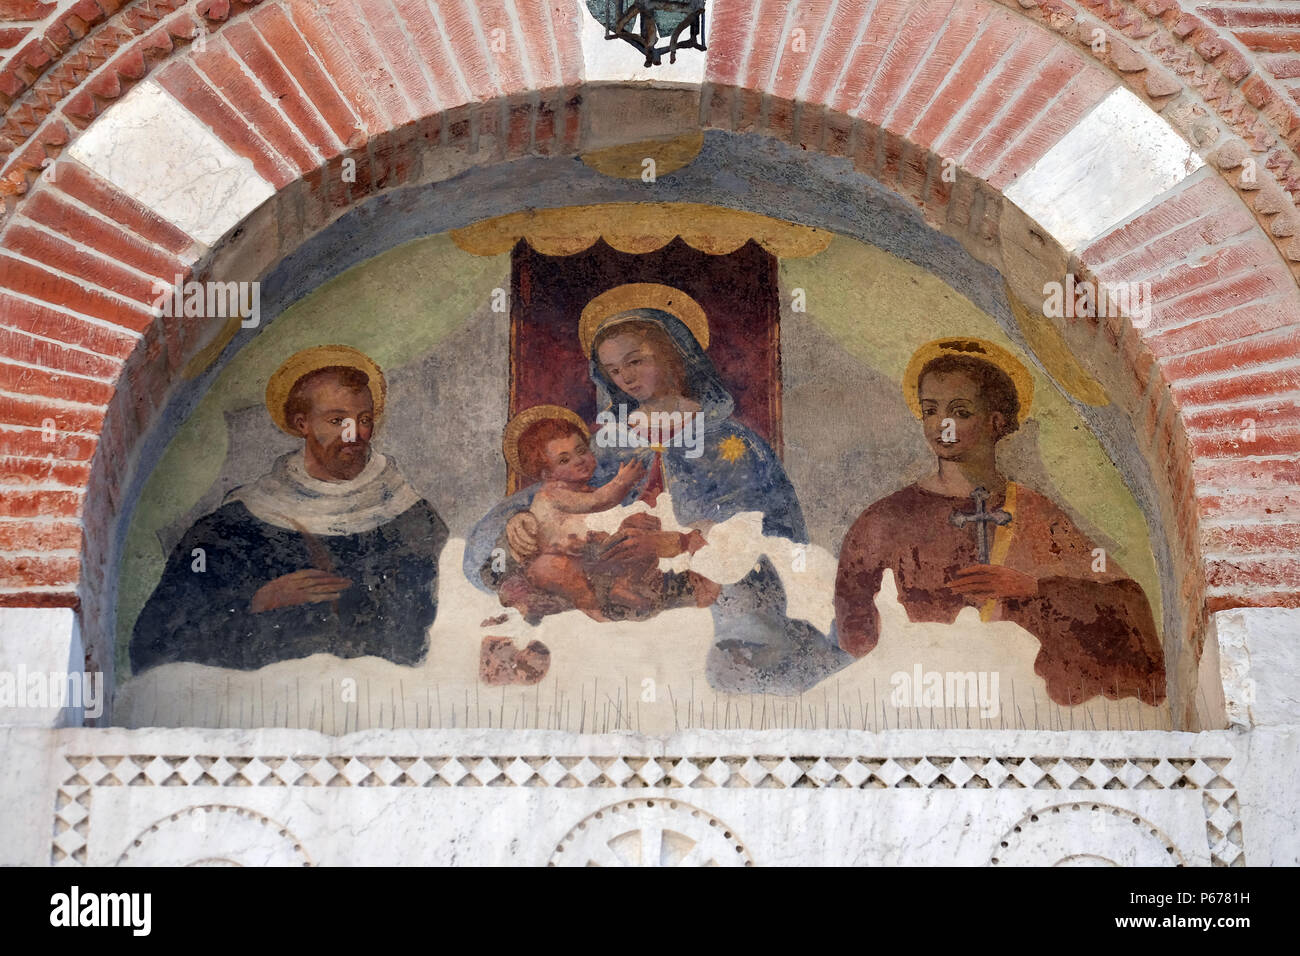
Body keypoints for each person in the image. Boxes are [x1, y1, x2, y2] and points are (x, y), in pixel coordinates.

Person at [465, 283, 850, 692]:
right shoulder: (608, 443)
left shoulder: (730, 440)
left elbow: (778, 533)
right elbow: (557, 497)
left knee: (736, 660)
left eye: (636, 361)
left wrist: (680, 543)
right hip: (615, 582)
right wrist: (519, 521)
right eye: (614, 370)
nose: (626, 377)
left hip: (718, 585)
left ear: (671, 355)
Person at [833, 338, 1166, 707]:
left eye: (960, 412)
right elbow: (854, 616)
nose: (942, 425)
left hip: (1020, 697)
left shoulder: (1035, 513)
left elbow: (1124, 604)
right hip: (914, 694)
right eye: (930, 410)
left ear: (996, 421)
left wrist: (1035, 589)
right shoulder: (884, 520)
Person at [130, 345, 448, 672]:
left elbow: (423, 638)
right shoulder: (232, 528)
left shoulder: (412, 517)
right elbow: (154, 646)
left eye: (364, 419)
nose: (355, 434)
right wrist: (259, 602)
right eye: (337, 419)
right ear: (302, 424)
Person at [505, 404, 713, 620]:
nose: (579, 460)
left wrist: (630, 523)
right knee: (558, 571)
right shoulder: (553, 493)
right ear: (547, 474)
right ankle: (594, 611)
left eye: (581, 450)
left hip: (594, 555)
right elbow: (599, 502)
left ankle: (625, 585)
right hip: (562, 561)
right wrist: (621, 482)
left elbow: (604, 517)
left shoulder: (585, 487)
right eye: (564, 460)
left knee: (640, 526)